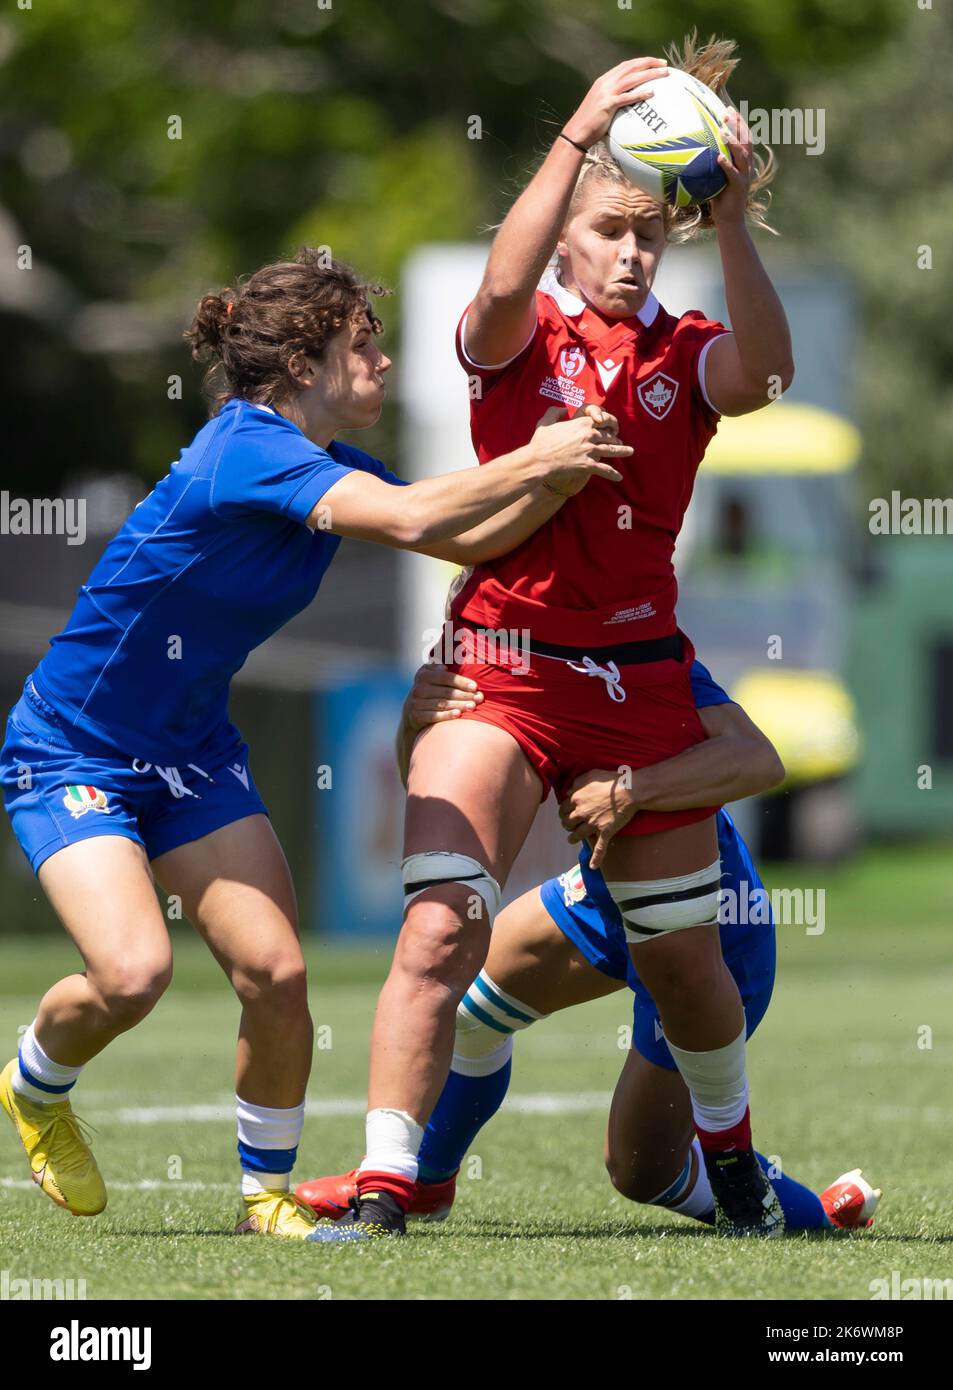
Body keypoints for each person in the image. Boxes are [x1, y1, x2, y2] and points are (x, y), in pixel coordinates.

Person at [0, 248, 628, 1238]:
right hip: (73, 750)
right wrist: (539, 456)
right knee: (132, 973)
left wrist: (582, 464)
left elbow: (465, 536)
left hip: (194, 756)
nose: (381, 363)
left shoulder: (327, 465)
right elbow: (424, 510)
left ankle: (263, 1200)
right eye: (362, 346)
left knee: (278, 977)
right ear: (301, 366)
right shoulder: (243, 449)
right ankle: (36, 1084)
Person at [314, 36, 796, 1242]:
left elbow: (769, 372)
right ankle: (384, 1184)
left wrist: (730, 219)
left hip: (635, 681)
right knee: (438, 921)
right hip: (501, 667)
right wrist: (581, 126)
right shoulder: (517, 342)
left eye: (652, 233)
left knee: (686, 966)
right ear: (567, 236)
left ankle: (729, 1154)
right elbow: (492, 288)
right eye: (609, 229)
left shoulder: (681, 358)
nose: (631, 251)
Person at [297, 660, 881, 1234]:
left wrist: (633, 788)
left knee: (640, 1171)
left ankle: (813, 1213)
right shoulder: (510, 656)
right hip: (603, 898)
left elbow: (760, 759)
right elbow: (435, 793)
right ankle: (424, 1183)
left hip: (707, 924)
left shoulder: (636, 645)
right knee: (468, 1009)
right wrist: (416, 724)